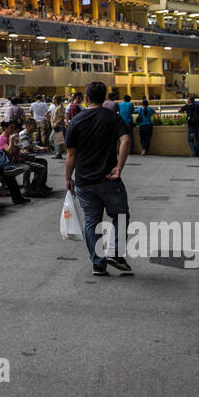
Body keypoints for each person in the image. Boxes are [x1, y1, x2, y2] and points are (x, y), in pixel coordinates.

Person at [65, 81, 133, 277]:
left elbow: (71, 154)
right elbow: (126, 140)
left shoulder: (76, 121)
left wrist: (68, 178)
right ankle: (116, 253)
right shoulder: (113, 117)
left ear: (86, 98)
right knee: (120, 215)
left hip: (84, 181)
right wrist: (119, 167)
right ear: (104, 99)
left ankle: (98, 264)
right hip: (109, 179)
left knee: (91, 222)